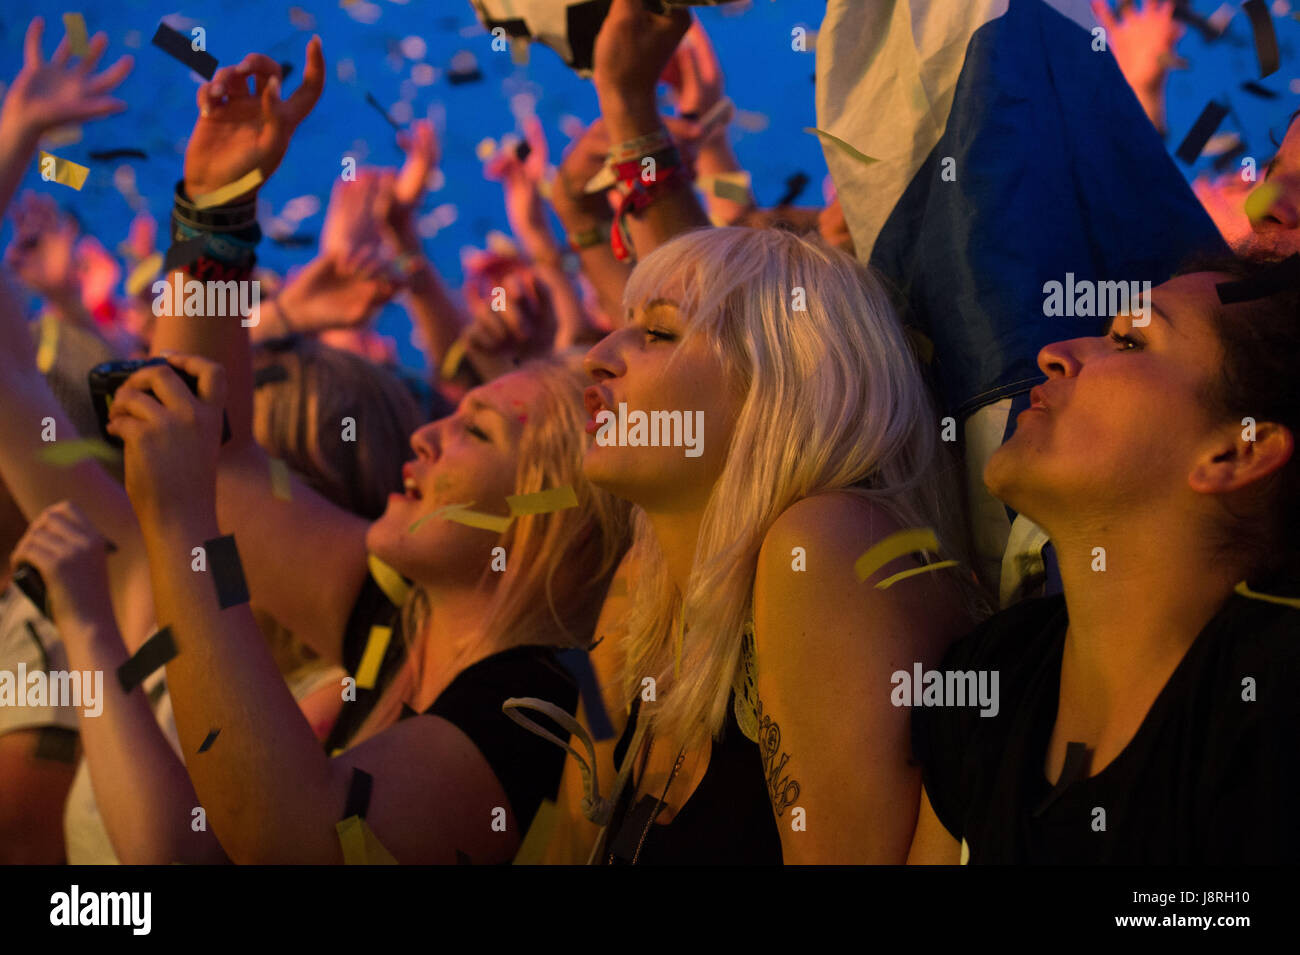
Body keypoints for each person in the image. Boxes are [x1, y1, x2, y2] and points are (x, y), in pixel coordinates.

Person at [546, 225, 984, 864]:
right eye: (622, 323)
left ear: (782, 386)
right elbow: (568, 848)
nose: (599, 354)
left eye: (661, 332)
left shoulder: (822, 548)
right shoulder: (639, 593)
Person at [909, 257, 1300, 863]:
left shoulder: (1270, 716)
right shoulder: (990, 680)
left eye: (1129, 340)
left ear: (1234, 453)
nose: (1055, 352)